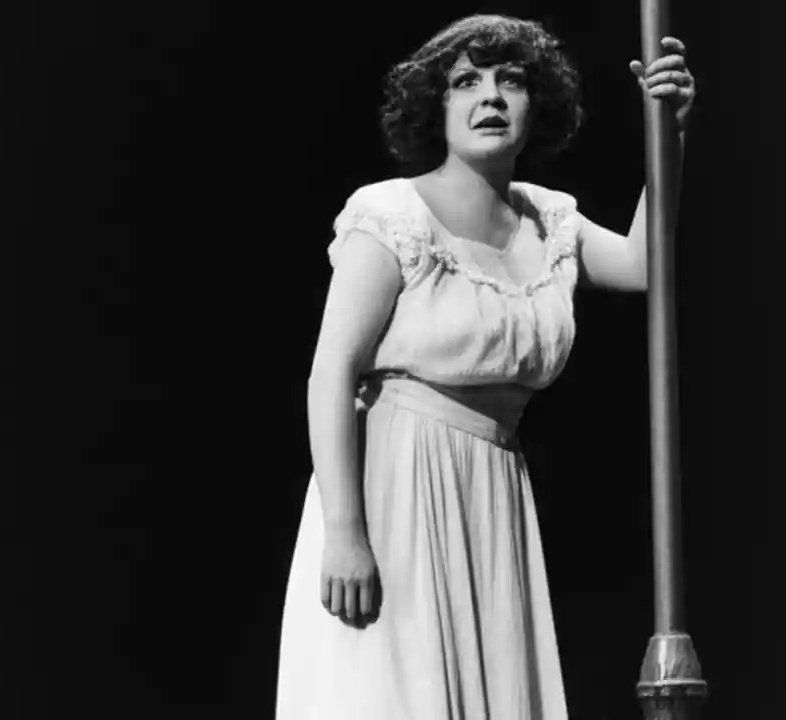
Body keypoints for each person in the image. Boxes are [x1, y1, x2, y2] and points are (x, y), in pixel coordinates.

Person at [275, 14, 695, 719]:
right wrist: (346, 531)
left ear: (539, 105)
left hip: (491, 485)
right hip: (394, 488)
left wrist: (671, 135)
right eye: (466, 82)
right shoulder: (391, 216)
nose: (491, 97)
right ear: (434, 109)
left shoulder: (548, 221)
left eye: (511, 81)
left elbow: (643, 264)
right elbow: (331, 373)